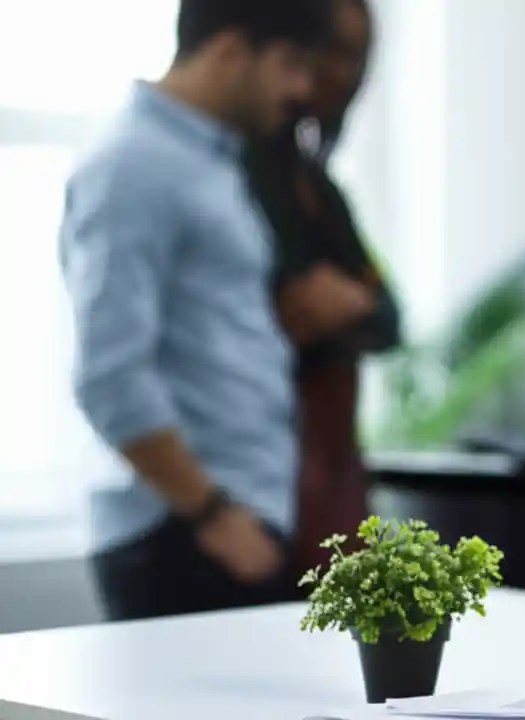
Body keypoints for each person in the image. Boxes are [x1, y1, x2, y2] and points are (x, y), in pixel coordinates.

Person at [59, 0, 327, 621]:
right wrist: (213, 515)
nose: (301, 89)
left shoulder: (207, 162)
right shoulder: (135, 163)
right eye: (290, 65)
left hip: (222, 525)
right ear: (232, 50)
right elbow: (109, 372)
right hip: (184, 533)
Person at [245, 0, 401, 577]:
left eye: (354, 56)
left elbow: (388, 317)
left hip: (329, 467)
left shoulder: (321, 191)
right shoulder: (233, 173)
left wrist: (347, 302)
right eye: (328, 48)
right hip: (261, 462)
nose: (338, 71)